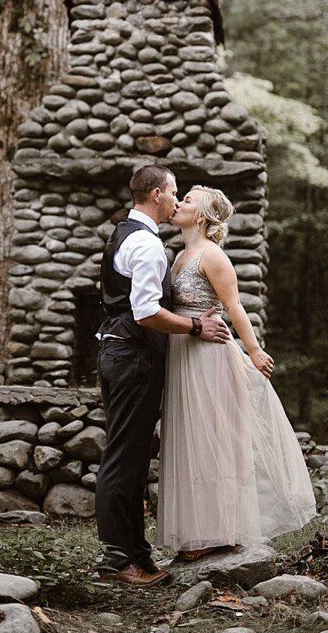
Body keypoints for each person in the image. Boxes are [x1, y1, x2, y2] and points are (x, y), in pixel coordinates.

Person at [157, 185, 317, 559]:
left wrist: (256, 351)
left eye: (189, 200)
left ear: (203, 215)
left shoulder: (212, 256)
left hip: (210, 357)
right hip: (184, 353)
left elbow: (235, 307)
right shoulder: (181, 256)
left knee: (212, 440)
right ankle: (194, 531)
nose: (179, 202)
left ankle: (220, 530)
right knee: (189, 439)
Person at [93, 164, 230, 586]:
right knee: (123, 461)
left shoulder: (123, 233)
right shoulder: (148, 246)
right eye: (174, 193)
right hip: (134, 357)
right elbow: (147, 312)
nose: (176, 200)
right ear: (156, 195)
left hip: (117, 352)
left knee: (130, 460)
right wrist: (194, 327)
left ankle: (137, 556)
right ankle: (120, 562)